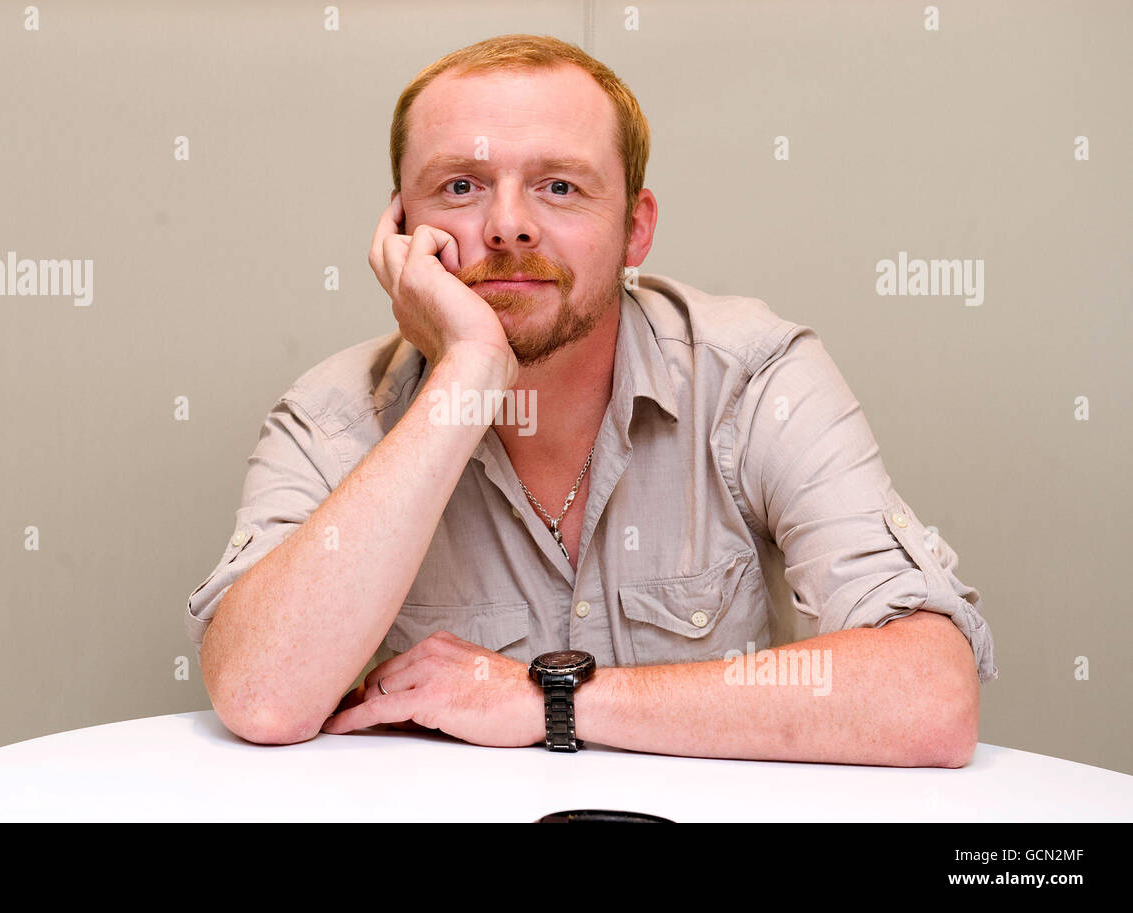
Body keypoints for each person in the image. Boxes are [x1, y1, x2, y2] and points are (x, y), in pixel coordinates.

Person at [186, 33, 997, 766]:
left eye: (560, 186)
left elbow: (929, 696)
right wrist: (468, 371)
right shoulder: (333, 417)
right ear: (401, 231)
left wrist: (546, 701)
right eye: (461, 186)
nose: (508, 227)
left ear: (635, 228)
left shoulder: (755, 381)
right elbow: (262, 695)